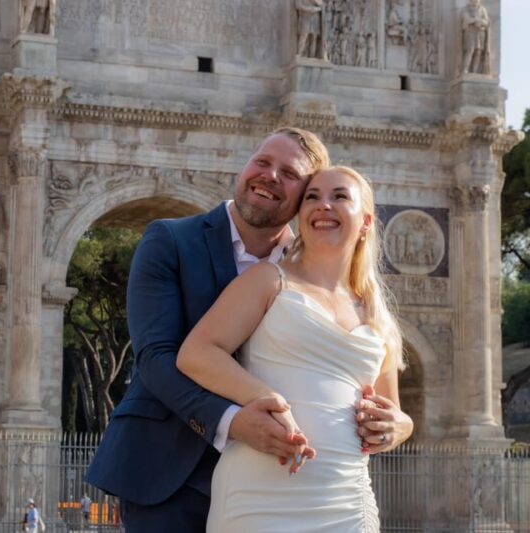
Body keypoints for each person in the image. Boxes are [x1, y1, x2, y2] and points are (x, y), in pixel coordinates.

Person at [85, 127, 414, 532]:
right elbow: (156, 358)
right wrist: (233, 421)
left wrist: (401, 425)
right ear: (245, 166)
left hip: (311, 481)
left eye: (290, 174)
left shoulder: (320, 270)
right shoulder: (170, 239)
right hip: (171, 471)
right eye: (262, 162)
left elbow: (383, 397)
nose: (270, 176)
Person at [177, 165, 411, 530]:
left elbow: (392, 410)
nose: (323, 205)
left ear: (365, 221)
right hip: (259, 492)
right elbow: (197, 353)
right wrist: (268, 398)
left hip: (346, 499)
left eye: (339, 196)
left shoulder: (378, 314)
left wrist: (402, 426)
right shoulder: (267, 280)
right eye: (312, 197)